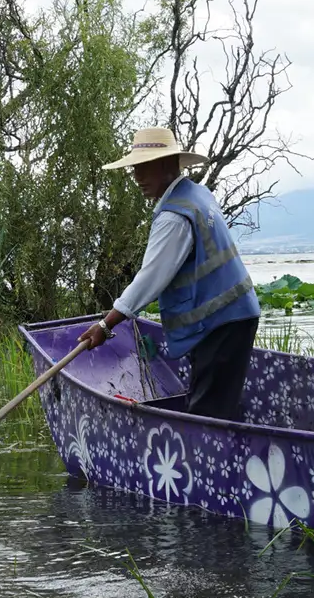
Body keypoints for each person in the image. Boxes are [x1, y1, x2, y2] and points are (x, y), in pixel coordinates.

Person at [77, 127, 262, 420]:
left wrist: (106, 323)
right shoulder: (197, 194)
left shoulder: (174, 216)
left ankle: (205, 463)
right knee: (217, 405)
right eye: (134, 169)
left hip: (221, 320)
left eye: (143, 167)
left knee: (207, 414)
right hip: (234, 314)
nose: (137, 177)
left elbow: (150, 278)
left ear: (165, 164)